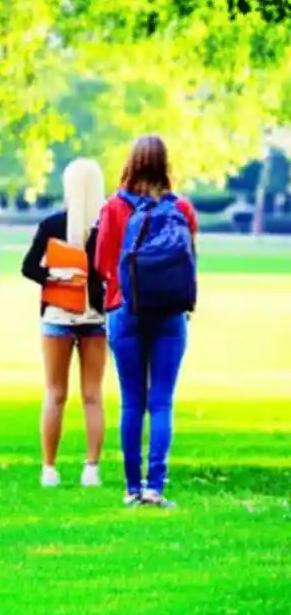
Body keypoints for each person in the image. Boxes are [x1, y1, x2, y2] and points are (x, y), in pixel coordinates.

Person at [95, 135, 198, 509]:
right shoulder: (181, 209)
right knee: (162, 402)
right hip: (171, 314)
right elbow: (190, 261)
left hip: (126, 311)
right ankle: (156, 485)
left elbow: (103, 263)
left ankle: (131, 487)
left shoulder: (114, 208)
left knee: (131, 401)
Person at [20, 158, 107, 488]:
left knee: (55, 393)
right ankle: (91, 469)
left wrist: (54, 278)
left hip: (57, 314)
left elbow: (29, 267)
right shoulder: (107, 227)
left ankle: (49, 469)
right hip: (95, 317)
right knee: (93, 395)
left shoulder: (53, 223)